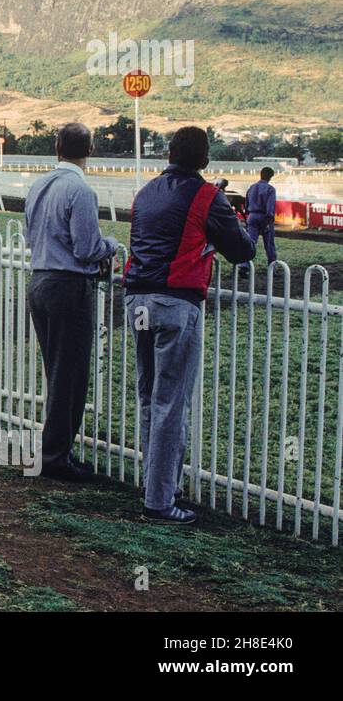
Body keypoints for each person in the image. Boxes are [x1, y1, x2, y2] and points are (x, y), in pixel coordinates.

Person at [124, 127, 255, 525]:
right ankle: (159, 500)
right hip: (176, 303)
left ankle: (153, 484)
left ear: (169, 152)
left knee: (149, 396)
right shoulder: (207, 196)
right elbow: (242, 248)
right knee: (170, 403)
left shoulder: (146, 192)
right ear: (204, 159)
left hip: (136, 300)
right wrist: (232, 217)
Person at [25, 123, 120, 481]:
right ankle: (55, 457)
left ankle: (53, 449)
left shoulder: (38, 186)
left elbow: (29, 235)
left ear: (56, 147)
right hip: (68, 286)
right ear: (90, 150)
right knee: (72, 374)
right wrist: (110, 246)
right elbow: (86, 248)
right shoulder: (80, 190)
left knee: (56, 371)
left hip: (40, 281)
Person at [244, 167, 278, 264]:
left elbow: (246, 205)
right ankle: (272, 266)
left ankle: (244, 265)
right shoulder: (270, 189)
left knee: (251, 242)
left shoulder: (251, 187)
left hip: (252, 216)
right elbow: (270, 208)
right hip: (264, 217)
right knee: (269, 244)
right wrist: (268, 221)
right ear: (270, 177)